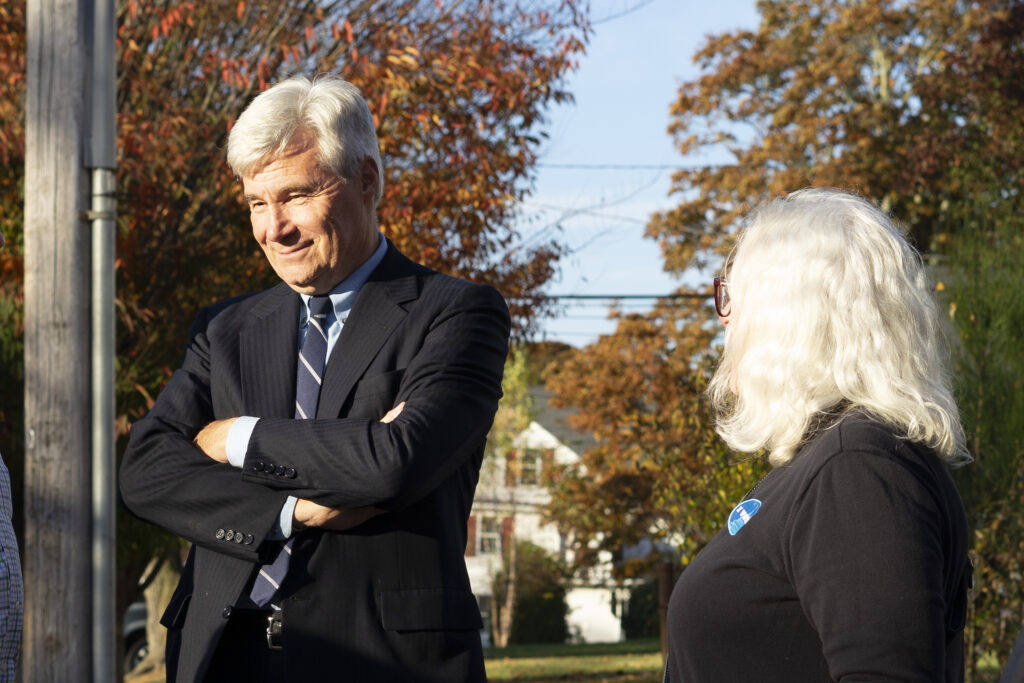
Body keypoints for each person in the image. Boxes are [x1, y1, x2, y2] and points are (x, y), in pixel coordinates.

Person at [119, 76, 510, 683]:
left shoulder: (456, 312)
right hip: (223, 656)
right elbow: (145, 470)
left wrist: (235, 439)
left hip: (381, 662)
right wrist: (292, 510)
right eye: (256, 203)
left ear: (367, 180)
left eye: (296, 195)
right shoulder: (225, 329)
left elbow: (394, 461)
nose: (273, 228)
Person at [667, 188, 972, 682]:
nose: (725, 321)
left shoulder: (858, 469)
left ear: (785, 316)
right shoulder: (835, 458)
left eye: (732, 298)